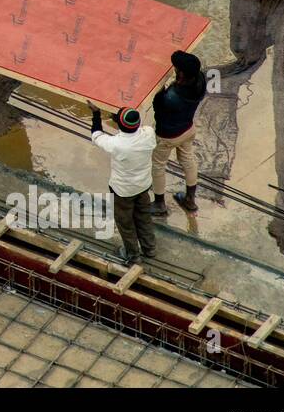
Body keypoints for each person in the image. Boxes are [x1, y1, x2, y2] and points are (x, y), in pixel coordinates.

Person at [88, 102, 157, 264]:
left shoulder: (116, 144)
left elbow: (96, 134)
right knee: (144, 217)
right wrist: (119, 118)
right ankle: (150, 249)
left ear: (119, 124)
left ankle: (133, 255)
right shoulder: (149, 134)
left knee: (125, 222)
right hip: (143, 186)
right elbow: (136, 126)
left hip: (123, 191)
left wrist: (96, 113)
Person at [149, 50, 207, 216]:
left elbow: (158, 108)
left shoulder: (171, 98)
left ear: (181, 74)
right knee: (188, 160)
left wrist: (160, 88)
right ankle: (190, 200)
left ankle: (159, 204)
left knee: (158, 165)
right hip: (188, 129)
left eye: (176, 68)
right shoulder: (200, 81)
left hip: (168, 136)